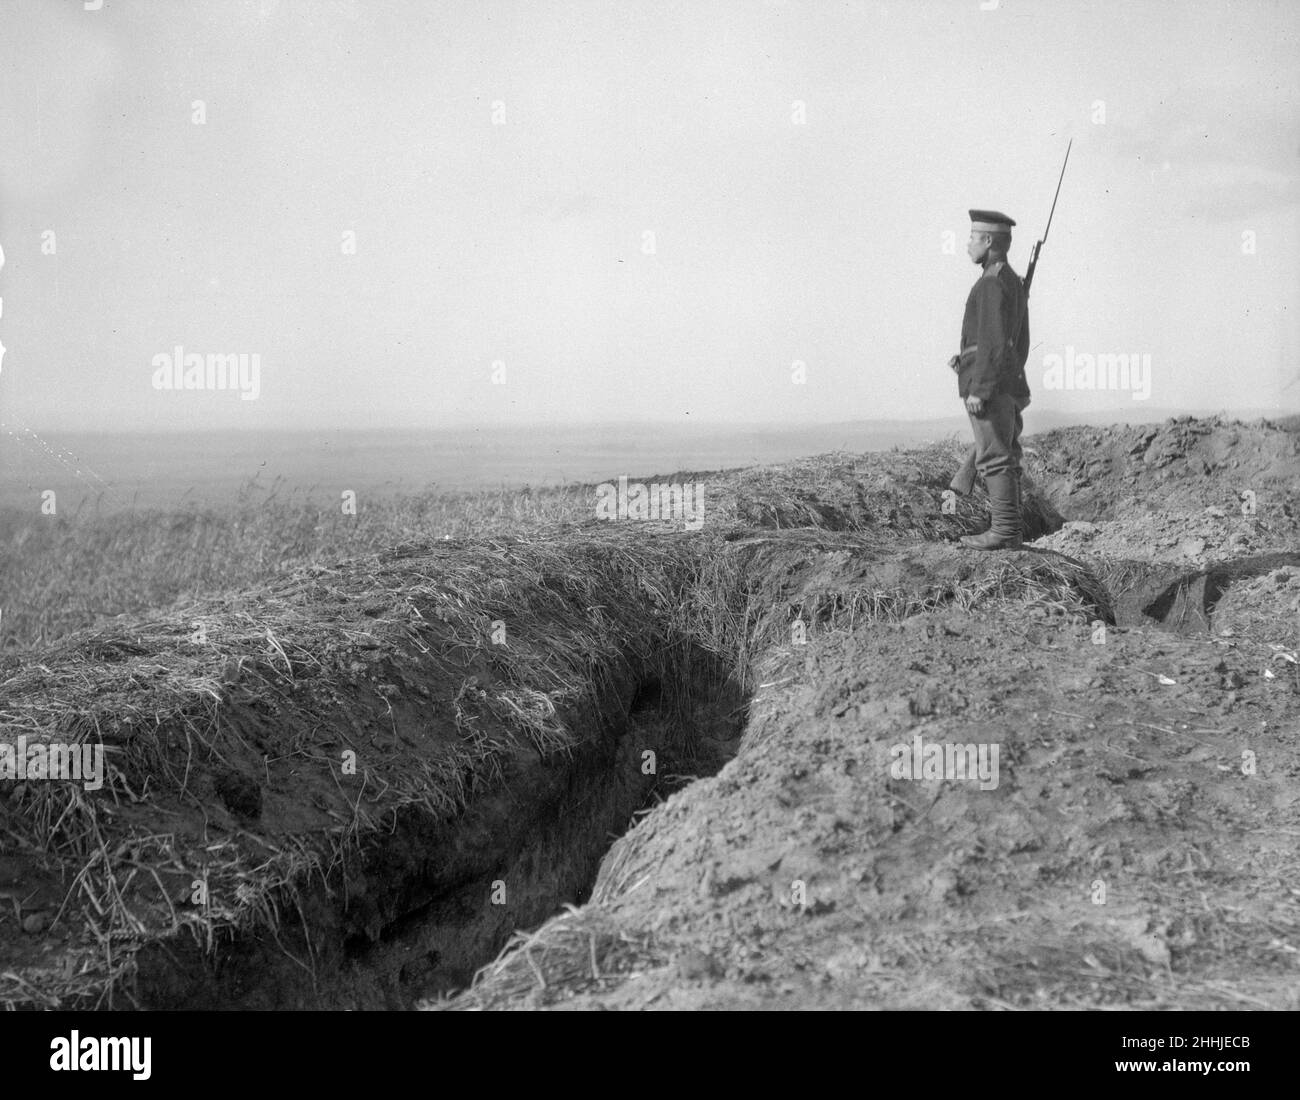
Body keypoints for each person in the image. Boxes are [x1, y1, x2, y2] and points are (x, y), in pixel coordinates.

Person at [948, 209, 1031, 550]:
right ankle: (1008, 529)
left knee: (996, 456)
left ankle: (1004, 532)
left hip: (991, 388)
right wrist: (966, 360)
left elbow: (996, 341)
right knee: (1004, 453)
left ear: (989, 241)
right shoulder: (1009, 280)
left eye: (972, 238)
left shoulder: (992, 282)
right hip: (1005, 382)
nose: (967, 244)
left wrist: (981, 387)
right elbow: (1015, 342)